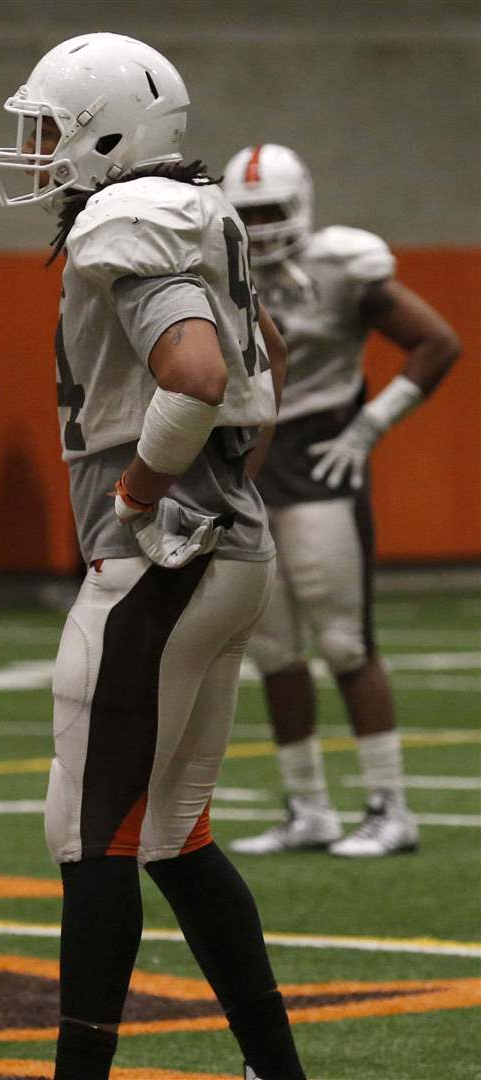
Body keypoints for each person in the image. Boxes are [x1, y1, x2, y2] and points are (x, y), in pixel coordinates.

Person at [0, 33, 306, 1080]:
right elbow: (269, 363)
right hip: (228, 549)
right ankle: (277, 1071)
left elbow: (201, 368)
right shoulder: (194, 205)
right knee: (171, 834)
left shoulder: (127, 217)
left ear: (106, 131)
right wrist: (211, 485)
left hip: (163, 559)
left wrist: (140, 490)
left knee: (88, 835)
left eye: (48, 129)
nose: (32, 151)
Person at [221, 144, 460, 857]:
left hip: (322, 463)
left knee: (344, 641)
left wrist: (369, 425)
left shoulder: (341, 263)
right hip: (250, 468)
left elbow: (436, 342)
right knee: (271, 649)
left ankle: (390, 808)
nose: (261, 228)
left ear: (302, 207)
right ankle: (309, 810)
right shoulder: (217, 269)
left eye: (272, 212)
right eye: (250, 213)